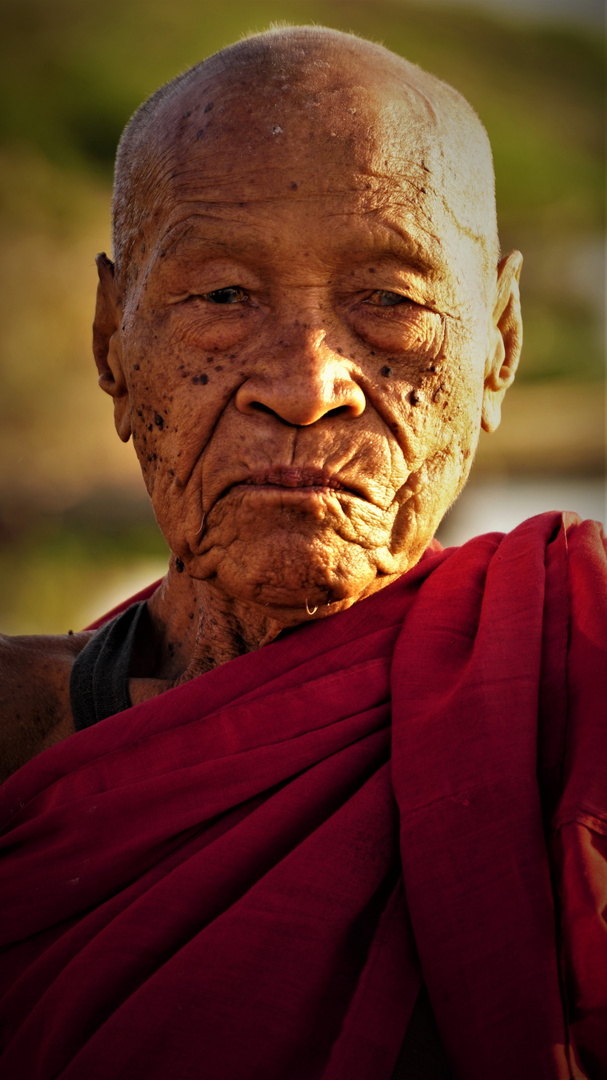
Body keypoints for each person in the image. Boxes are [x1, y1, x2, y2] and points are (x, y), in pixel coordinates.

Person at [0, 24, 605, 1080]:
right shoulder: (14, 742)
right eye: (222, 297)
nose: (306, 381)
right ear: (111, 340)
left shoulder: (577, 679)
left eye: (391, 300)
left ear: (498, 348)